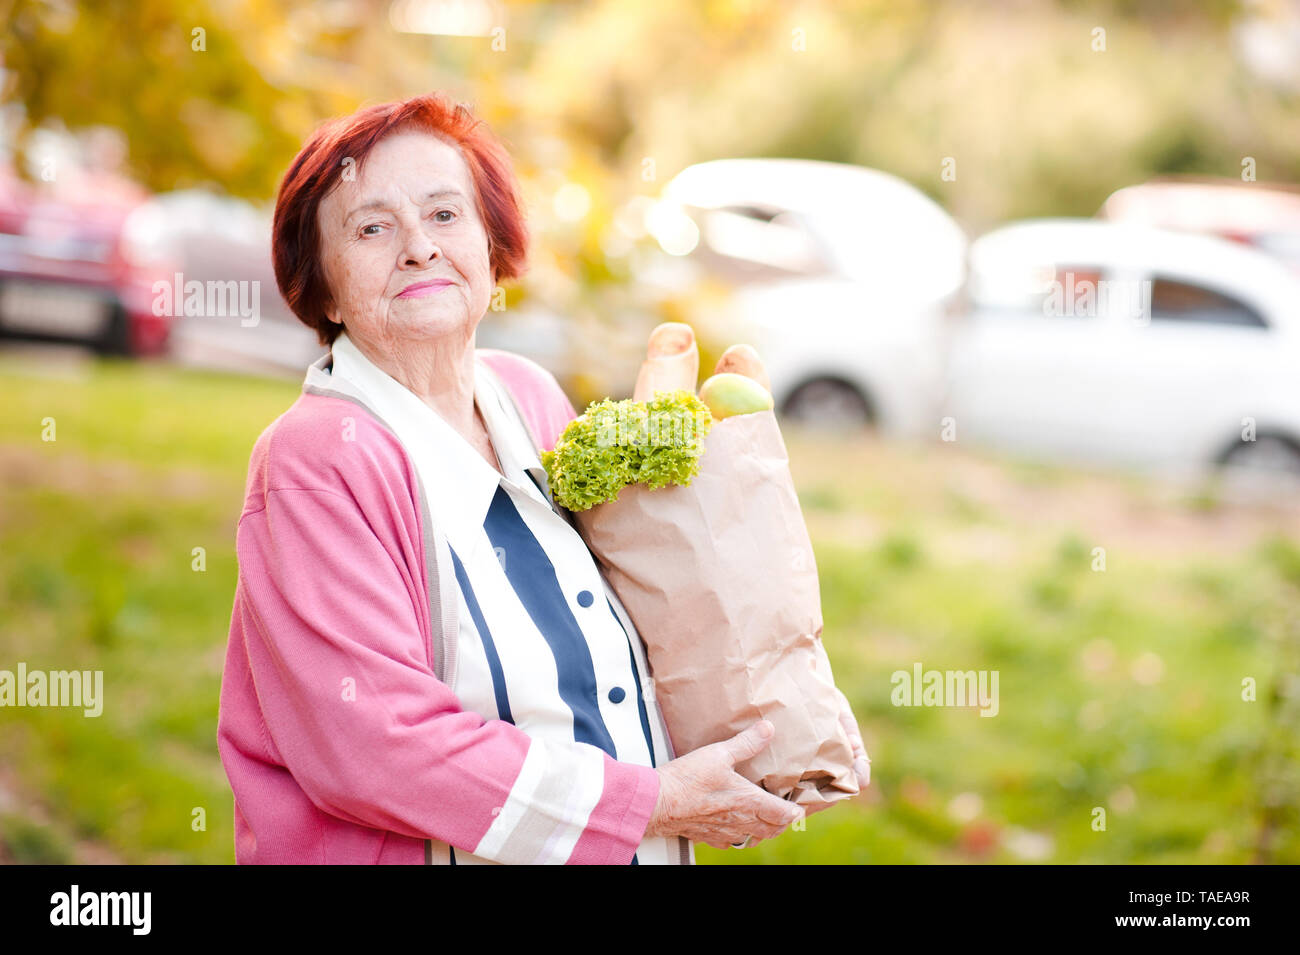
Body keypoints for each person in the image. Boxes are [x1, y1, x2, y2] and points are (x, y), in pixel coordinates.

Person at [216, 91, 869, 864]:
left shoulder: (526, 396)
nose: (419, 247)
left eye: (445, 215)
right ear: (320, 285)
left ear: (493, 249)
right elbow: (375, 743)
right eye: (371, 227)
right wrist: (654, 802)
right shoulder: (318, 459)